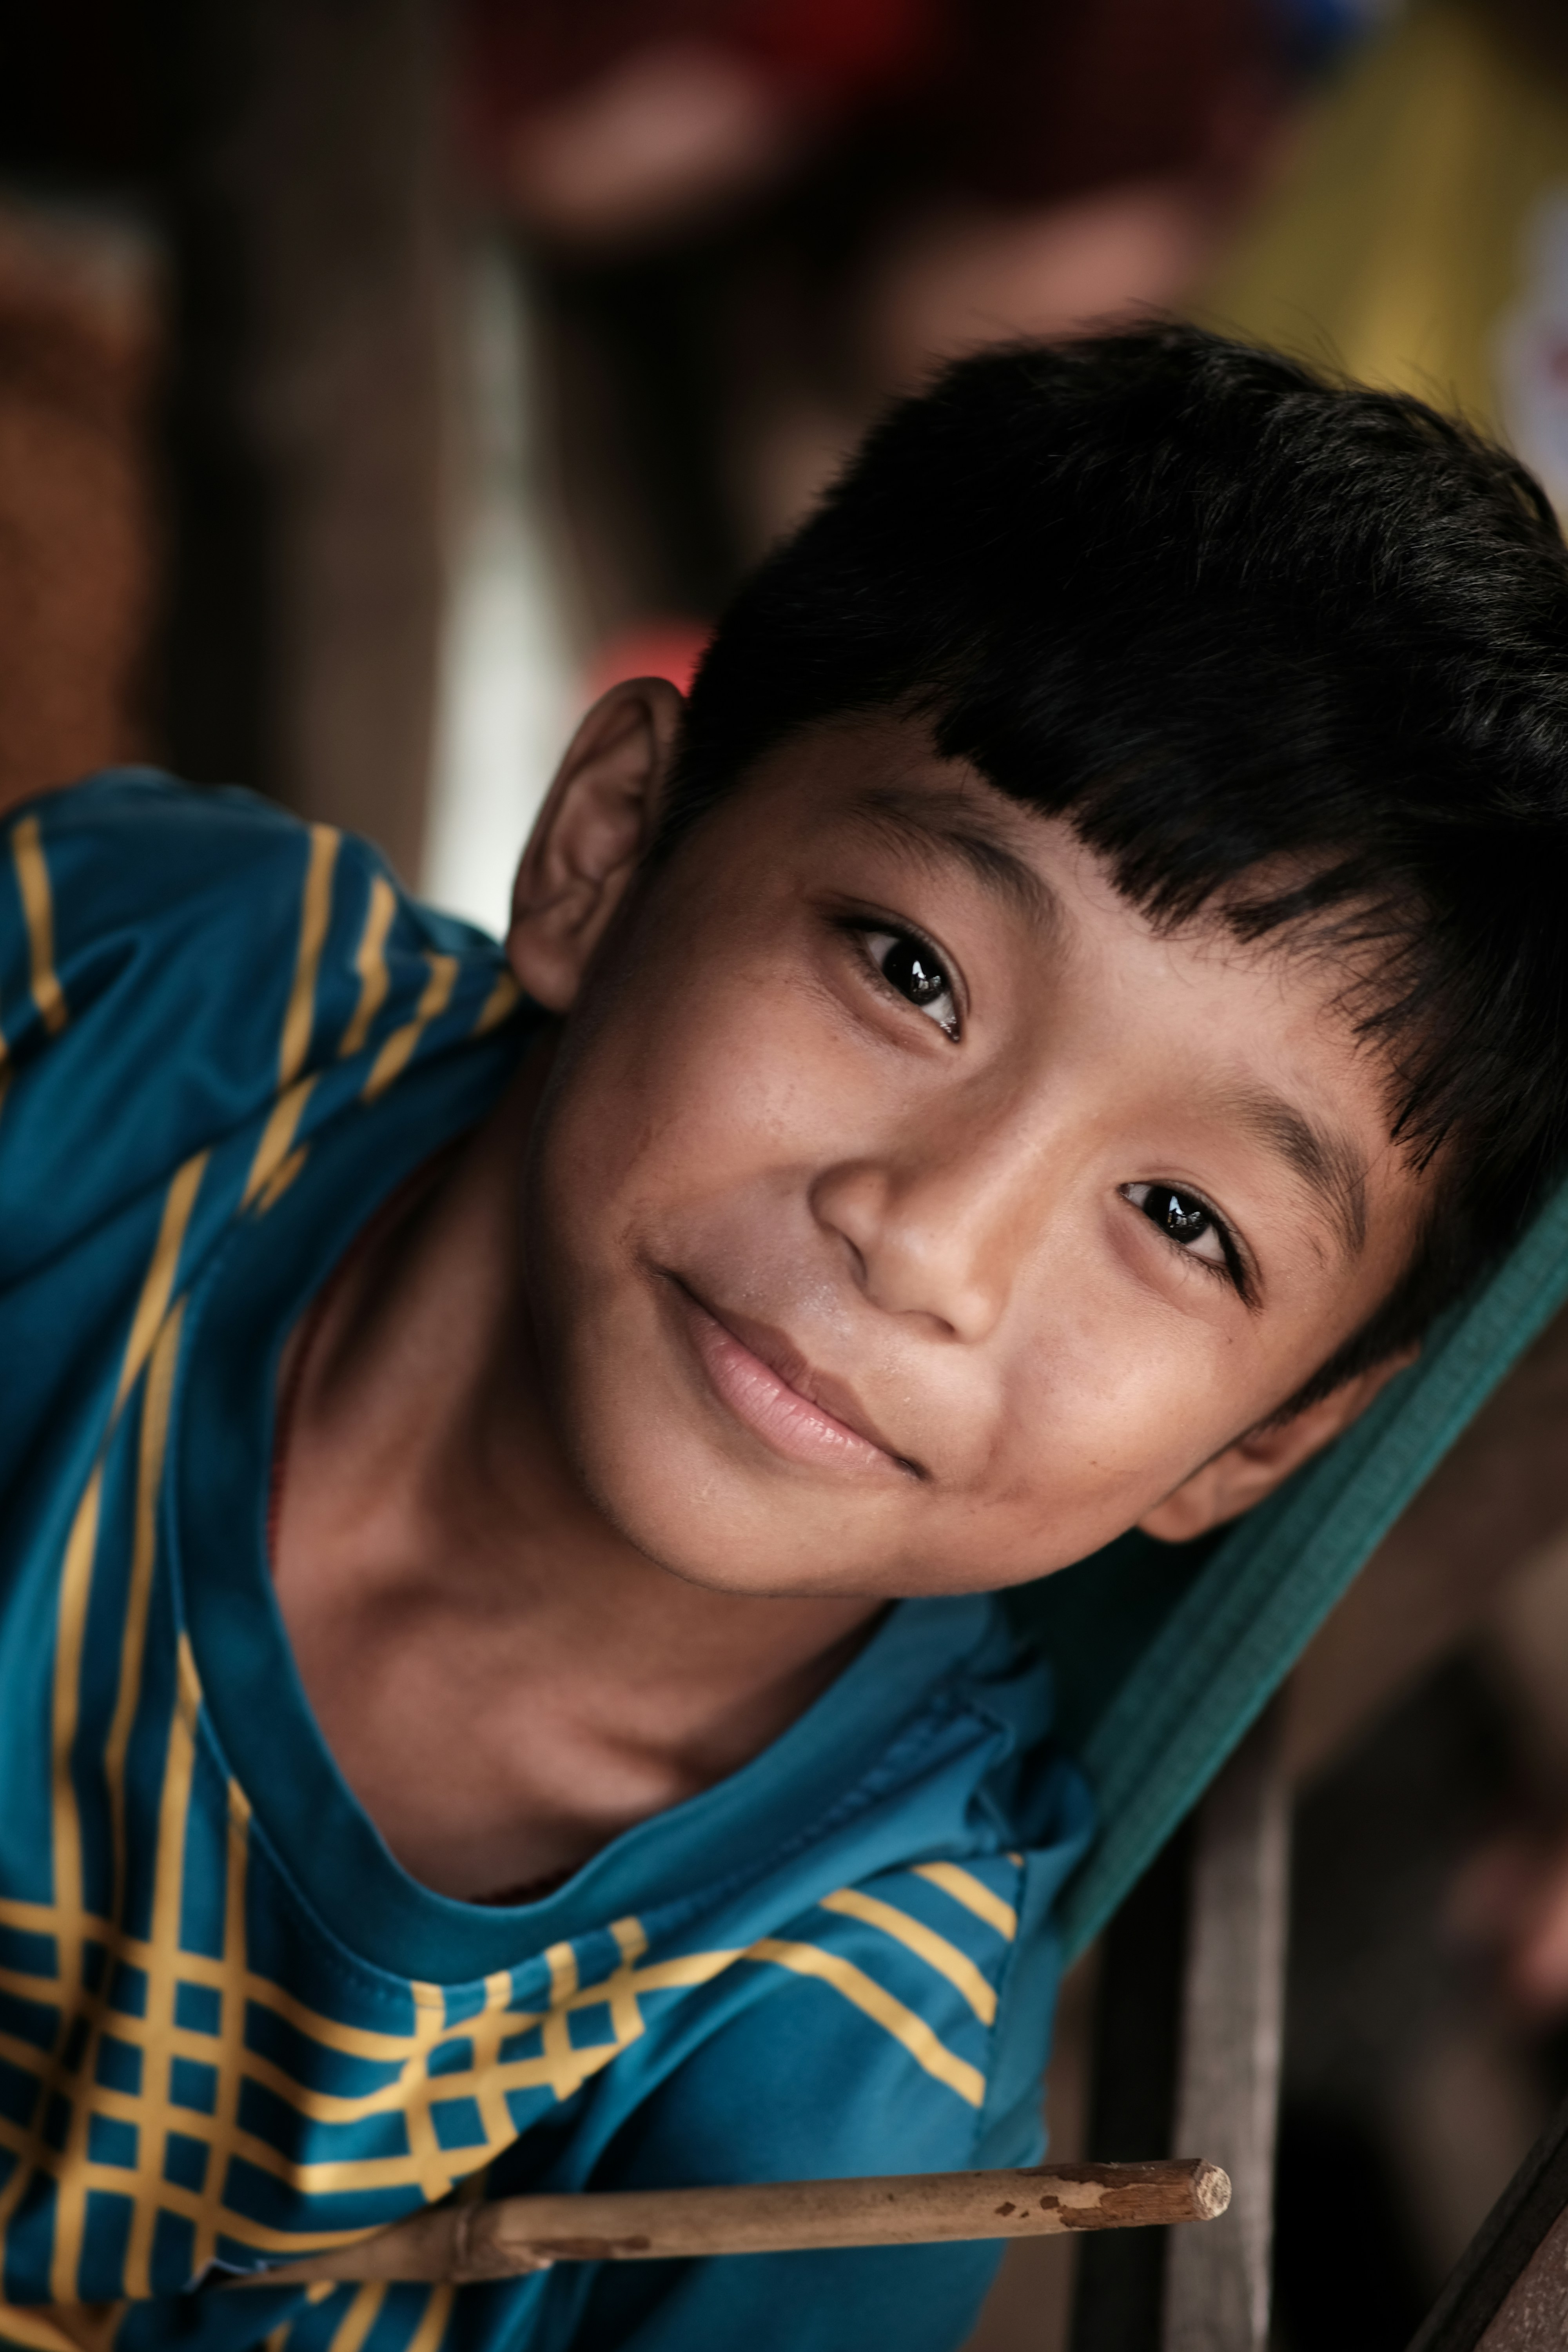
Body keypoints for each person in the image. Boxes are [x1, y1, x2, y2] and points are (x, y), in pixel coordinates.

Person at [5, 324, 1568, 2352]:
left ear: (1258, 1446)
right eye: (910, 971)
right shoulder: (125, 991)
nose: (932, 1244)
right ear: (609, 850)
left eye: (1183, 1223)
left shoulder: (838, 2071)